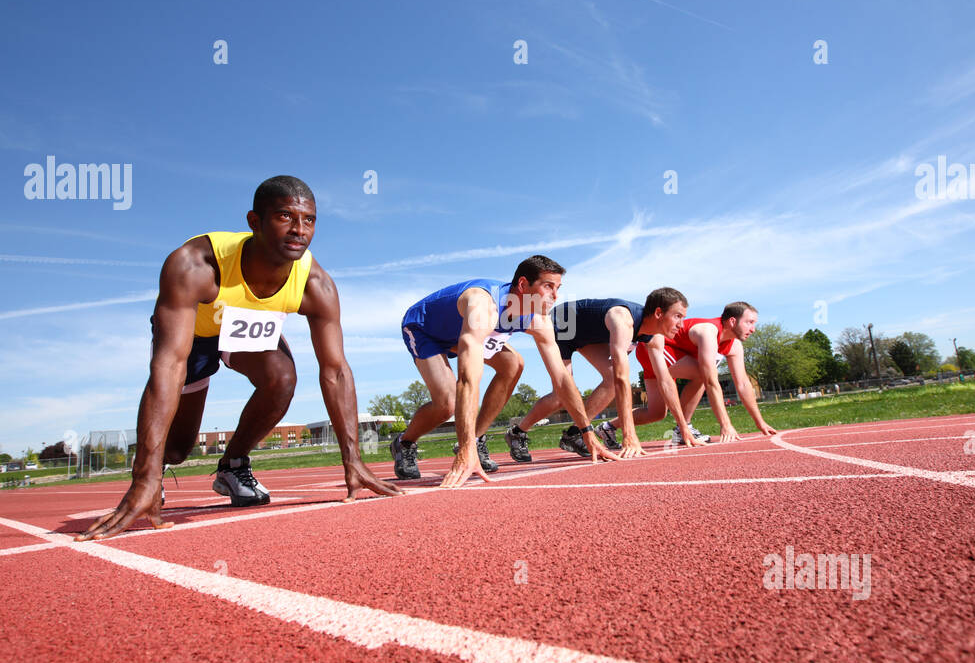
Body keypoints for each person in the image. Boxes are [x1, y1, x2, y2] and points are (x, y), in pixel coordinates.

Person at [77, 176, 402, 540]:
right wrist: (145, 475)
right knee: (179, 449)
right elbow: (168, 365)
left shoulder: (314, 283)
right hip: (195, 332)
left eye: (308, 220)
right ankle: (152, 474)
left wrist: (353, 459)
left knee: (282, 378)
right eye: (285, 217)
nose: (299, 230)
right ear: (254, 222)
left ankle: (233, 464)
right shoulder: (194, 264)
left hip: (244, 324)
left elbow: (336, 370)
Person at [391, 255, 621, 488]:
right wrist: (464, 451)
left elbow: (561, 378)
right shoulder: (484, 306)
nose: (556, 296)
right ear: (523, 285)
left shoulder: (538, 319)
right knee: (447, 403)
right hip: (425, 329)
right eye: (548, 287)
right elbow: (468, 380)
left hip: (464, 331)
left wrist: (587, 433)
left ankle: (476, 438)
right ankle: (405, 443)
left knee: (513, 364)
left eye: (558, 288)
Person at [506, 288, 689, 461]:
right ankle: (518, 432)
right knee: (562, 395)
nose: (680, 325)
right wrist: (629, 434)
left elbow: (665, 380)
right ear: (658, 313)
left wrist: (684, 428)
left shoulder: (655, 336)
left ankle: (575, 433)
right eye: (677, 317)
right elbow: (621, 378)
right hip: (563, 324)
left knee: (609, 380)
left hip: (586, 336)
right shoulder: (623, 319)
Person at [606, 300, 777, 447]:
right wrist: (726, 425)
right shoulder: (708, 331)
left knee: (656, 413)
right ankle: (683, 427)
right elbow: (711, 381)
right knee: (703, 374)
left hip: (673, 357)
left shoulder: (734, 346)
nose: (753, 329)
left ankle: (608, 428)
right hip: (655, 348)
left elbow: (743, 384)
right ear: (732, 321)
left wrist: (760, 422)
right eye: (750, 322)